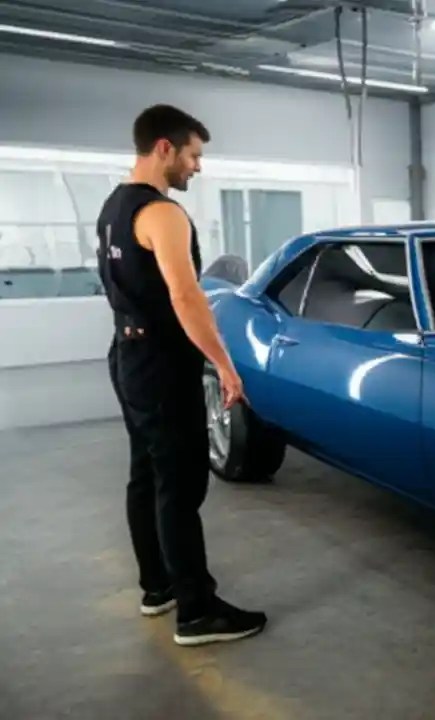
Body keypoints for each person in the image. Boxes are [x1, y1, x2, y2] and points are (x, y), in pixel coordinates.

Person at [98, 104, 267, 646]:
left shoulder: (113, 207)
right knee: (180, 485)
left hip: (127, 354)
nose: (197, 167)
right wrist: (224, 364)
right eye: (193, 155)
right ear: (164, 148)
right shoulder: (164, 214)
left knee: (146, 474)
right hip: (163, 365)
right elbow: (187, 296)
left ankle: (158, 588)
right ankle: (196, 610)